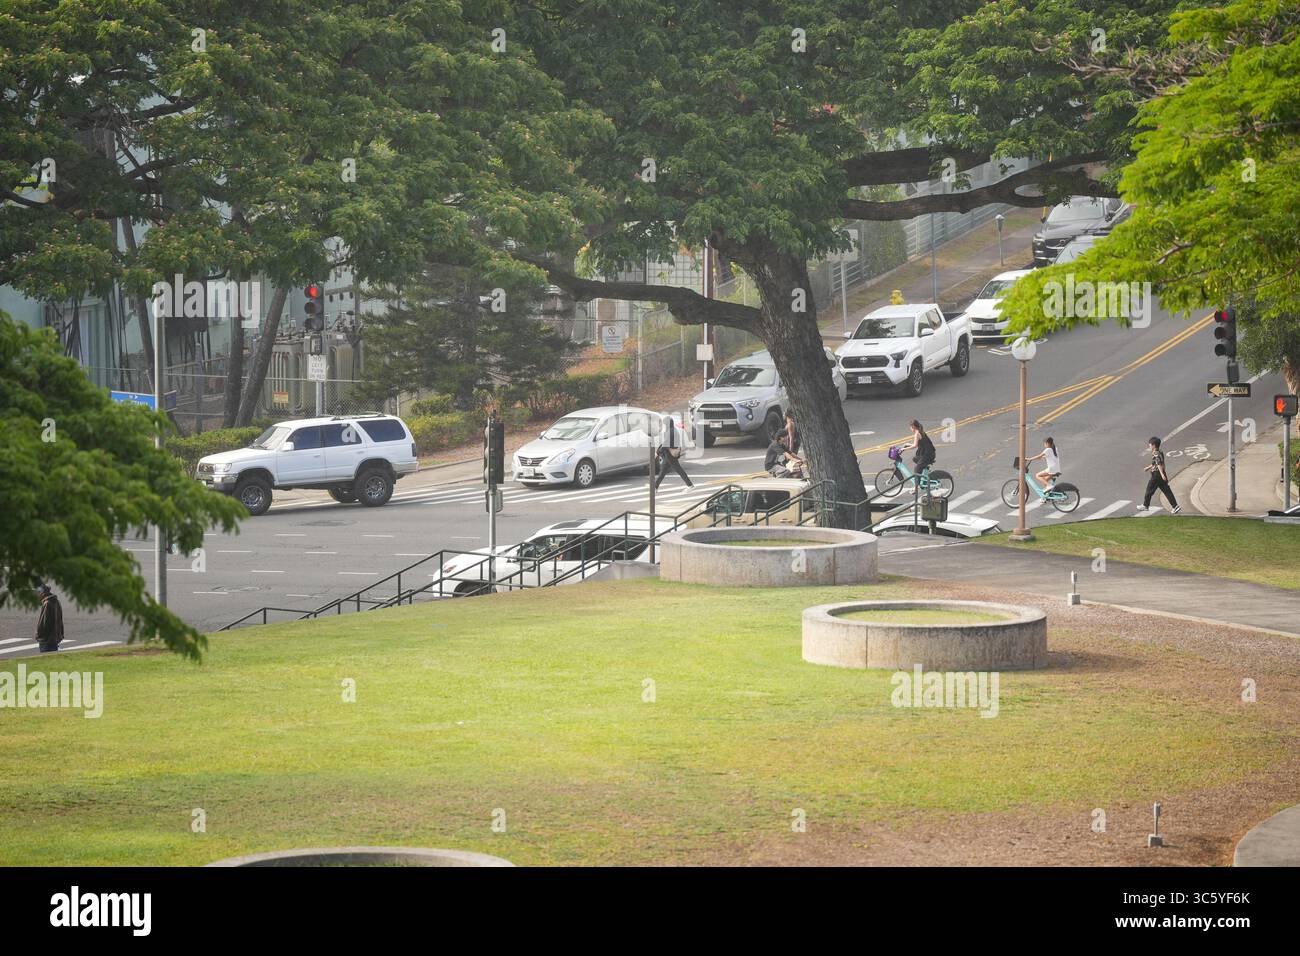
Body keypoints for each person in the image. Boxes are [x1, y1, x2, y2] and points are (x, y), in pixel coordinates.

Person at [1139, 436, 1181, 514]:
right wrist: (1148, 468)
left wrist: (1161, 474)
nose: (1149, 446)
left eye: (1150, 444)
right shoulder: (1160, 451)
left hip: (1157, 475)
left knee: (1149, 490)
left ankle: (1145, 505)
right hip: (1160, 474)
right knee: (1167, 491)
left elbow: (1158, 464)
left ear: (1154, 445)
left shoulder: (1155, 453)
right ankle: (1175, 506)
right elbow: (1157, 463)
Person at [654, 413, 693, 489]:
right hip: (669, 453)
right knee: (663, 470)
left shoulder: (671, 432)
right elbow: (665, 443)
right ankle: (655, 486)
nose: (664, 426)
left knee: (678, 470)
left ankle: (690, 485)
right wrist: (658, 451)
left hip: (670, 454)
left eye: (665, 424)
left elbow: (665, 444)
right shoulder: (672, 430)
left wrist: (658, 452)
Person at [34, 584, 64, 653]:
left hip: (47, 640)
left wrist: (38, 635)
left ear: (43, 593)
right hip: (55, 638)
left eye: (38, 593)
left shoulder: (47, 604)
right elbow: (60, 620)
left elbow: (43, 624)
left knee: (45, 658)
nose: (37, 595)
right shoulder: (56, 601)